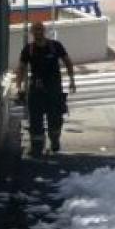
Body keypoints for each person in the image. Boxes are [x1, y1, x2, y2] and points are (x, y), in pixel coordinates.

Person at [15, 20, 76, 156]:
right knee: (35, 119)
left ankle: (54, 141)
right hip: (36, 89)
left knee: (55, 117)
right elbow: (21, 68)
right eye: (35, 30)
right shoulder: (28, 49)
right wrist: (19, 87)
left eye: (40, 29)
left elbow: (68, 62)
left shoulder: (55, 46)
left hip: (53, 88)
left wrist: (72, 80)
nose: (38, 32)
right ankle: (37, 146)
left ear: (44, 31)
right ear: (32, 33)